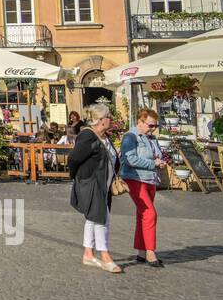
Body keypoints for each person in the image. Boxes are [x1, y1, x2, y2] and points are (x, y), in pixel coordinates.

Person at [68, 103, 122, 273]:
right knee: (101, 218)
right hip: (92, 183)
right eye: (108, 117)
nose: (111, 119)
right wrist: (80, 177)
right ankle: (105, 256)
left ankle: (88, 254)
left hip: (103, 184)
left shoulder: (104, 137)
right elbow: (73, 159)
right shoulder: (88, 137)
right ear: (100, 120)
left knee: (93, 218)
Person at [119, 108, 164, 268]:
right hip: (134, 178)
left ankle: (141, 251)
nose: (153, 129)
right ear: (140, 122)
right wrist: (153, 163)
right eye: (150, 125)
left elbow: (157, 154)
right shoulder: (130, 137)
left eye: (155, 126)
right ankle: (150, 252)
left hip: (150, 179)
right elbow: (130, 159)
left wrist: (160, 159)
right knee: (150, 213)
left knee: (142, 215)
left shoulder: (152, 138)